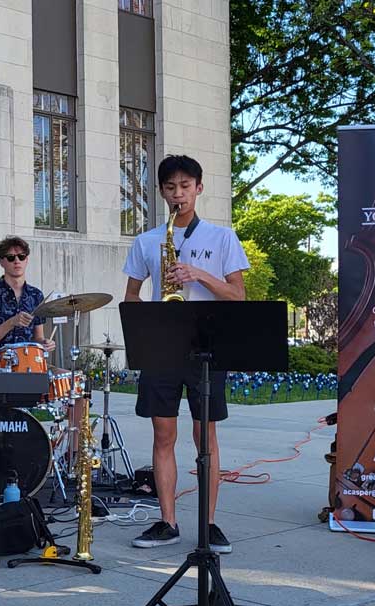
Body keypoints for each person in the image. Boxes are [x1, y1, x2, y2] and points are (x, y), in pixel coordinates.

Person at [122, 154, 249, 553]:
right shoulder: (147, 241)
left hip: (207, 346)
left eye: (185, 186)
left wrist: (198, 275)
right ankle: (167, 521)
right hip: (163, 345)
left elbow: (238, 295)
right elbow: (130, 296)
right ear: (162, 192)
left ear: (198, 187)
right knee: (163, 435)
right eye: (170, 187)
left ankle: (208, 524)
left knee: (204, 436)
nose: (178, 194)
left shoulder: (221, 237)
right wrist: (149, 323)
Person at [0, 236, 56, 369]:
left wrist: (45, 343)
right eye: (11, 257)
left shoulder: (36, 295)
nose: (17, 261)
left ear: (26, 260)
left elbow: (38, 338)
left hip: (29, 363)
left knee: (62, 377)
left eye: (21, 257)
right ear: (2, 262)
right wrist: (11, 323)